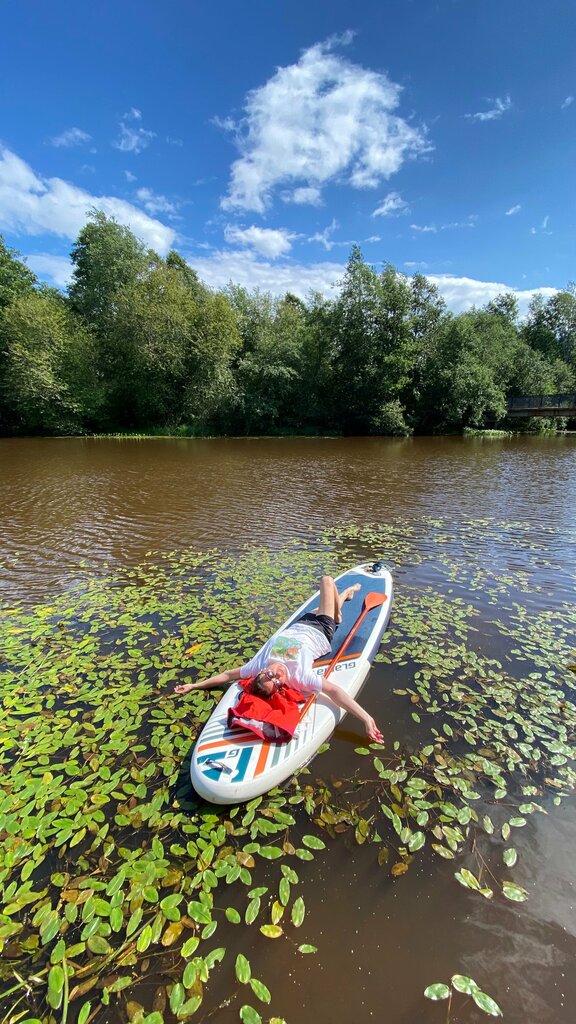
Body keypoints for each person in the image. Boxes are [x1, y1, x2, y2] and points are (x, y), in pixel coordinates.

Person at [174, 575, 383, 743]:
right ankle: (341, 606)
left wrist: (195, 685)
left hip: (301, 623)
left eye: (270, 675)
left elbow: (227, 675)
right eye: (277, 682)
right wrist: (366, 718)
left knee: (329, 604)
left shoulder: (256, 666)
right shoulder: (300, 677)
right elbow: (335, 692)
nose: (278, 675)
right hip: (321, 630)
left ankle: (343, 599)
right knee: (327, 581)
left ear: (261, 673)